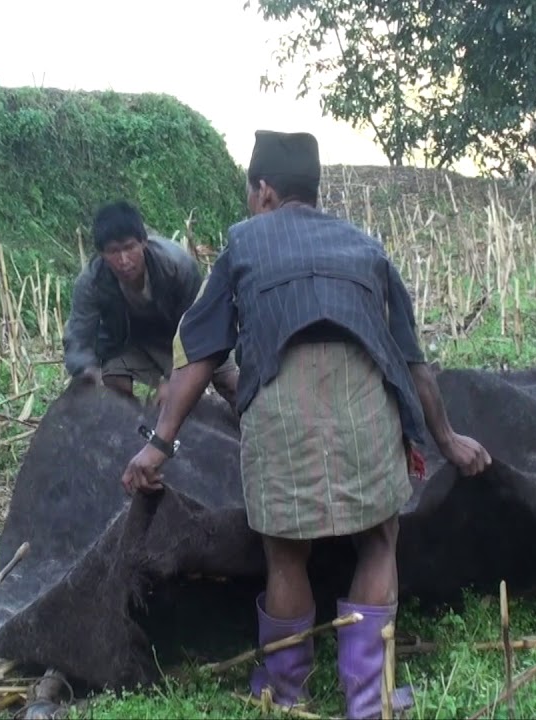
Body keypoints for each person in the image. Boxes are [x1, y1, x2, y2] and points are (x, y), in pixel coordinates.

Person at [119, 130, 492, 719]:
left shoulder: (243, 242)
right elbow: (412, 359)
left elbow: (201, 353)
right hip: (367, 400)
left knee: (286, 556)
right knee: (378, 541)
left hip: (280, 406)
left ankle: (285, 690)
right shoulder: (365, 246)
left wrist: (160, 445)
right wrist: (446, 438)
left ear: (264, 191)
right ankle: (369, 700)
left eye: (250, 191)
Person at [62, 200, 239, 410]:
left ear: (143, 242)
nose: (124, 260)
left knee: (232, 383)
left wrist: (173, 378)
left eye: (129, 247)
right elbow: (78, 338)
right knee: (113, 385)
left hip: (183, 339)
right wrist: (88, 373)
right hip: (130, 343)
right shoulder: (91, 282)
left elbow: (198, 329)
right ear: (101, 253)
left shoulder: (177, 267)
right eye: (114, 251)